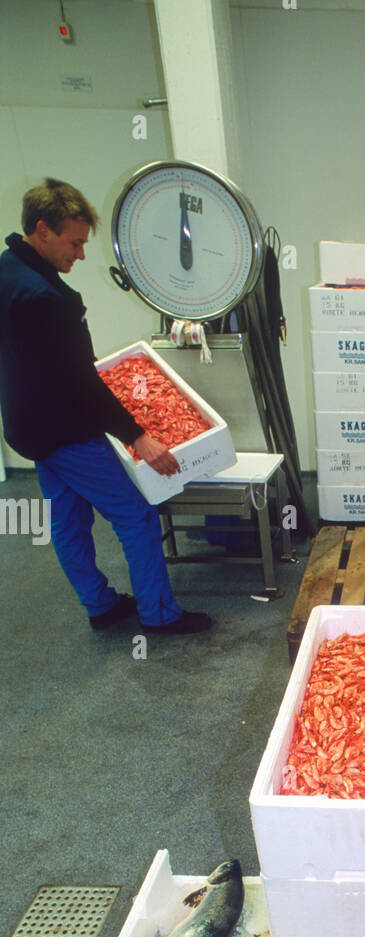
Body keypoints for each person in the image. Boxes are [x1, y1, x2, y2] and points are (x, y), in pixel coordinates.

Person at [0, 178, 211, 635]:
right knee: (137, 516)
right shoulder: (47, 299)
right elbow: (81, 383)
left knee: (69, 518)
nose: (79, 255)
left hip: (27, 427)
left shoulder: (7, 269)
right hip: (65, 431)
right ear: (43, 230)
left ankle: (99, 605)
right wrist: (137, 436)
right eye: (74, 244)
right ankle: (160, 615)